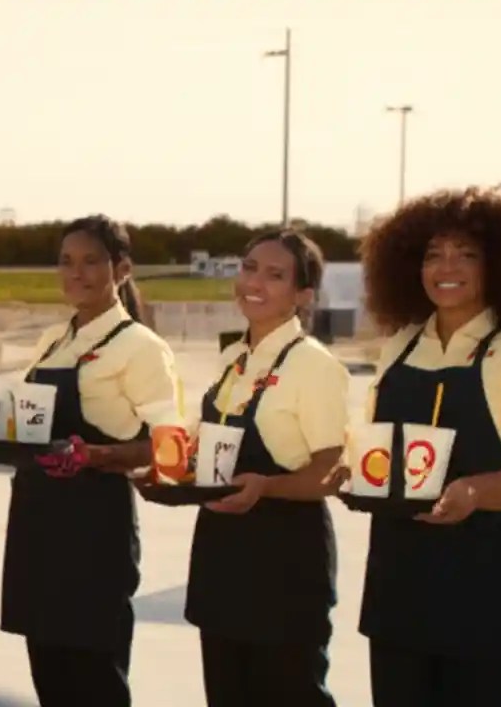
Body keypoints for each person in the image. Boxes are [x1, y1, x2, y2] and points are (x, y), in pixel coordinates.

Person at [2, 215, 178, 707]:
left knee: (95, 683)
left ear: (121, 268)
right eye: (66, 262)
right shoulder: (53, 340)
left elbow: (168, 445)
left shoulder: (140, 347)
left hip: (94, 533)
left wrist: (99, 455)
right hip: (38, 527)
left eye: (90, 261)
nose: (75, 273)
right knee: (50, 679)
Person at [357, 187, 501, 707]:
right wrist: (349, 472)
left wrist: (473, 490)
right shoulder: (399, 345)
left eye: (467, 254)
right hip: (399, 590)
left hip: (489, 599)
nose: (447, 266)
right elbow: (377, 447)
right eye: (432, 254)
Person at [183, 229, 347, 707]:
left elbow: (329, 472)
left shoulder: (313, 366)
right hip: (222, 562)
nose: (254, 281)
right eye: (249, 267)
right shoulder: (233, 358)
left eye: (275, 275)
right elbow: (202, 446)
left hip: (285, 568)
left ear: (303, 295)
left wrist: (265, 486)